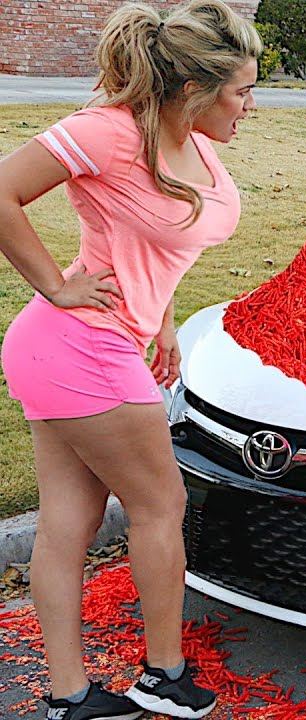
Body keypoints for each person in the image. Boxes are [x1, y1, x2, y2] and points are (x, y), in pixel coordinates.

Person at [0, 2, 260, 718]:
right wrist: (56, 284)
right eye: (241, 90)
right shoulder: (108, 133)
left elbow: (158, 244)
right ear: (195, 90)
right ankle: (163, 673)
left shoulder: (196, 146)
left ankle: (69, 699)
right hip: (78, 345)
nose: (251, 105)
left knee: (67, 523)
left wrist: (165, 324)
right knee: (160, 504)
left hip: (94, 346)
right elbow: (1, 189)